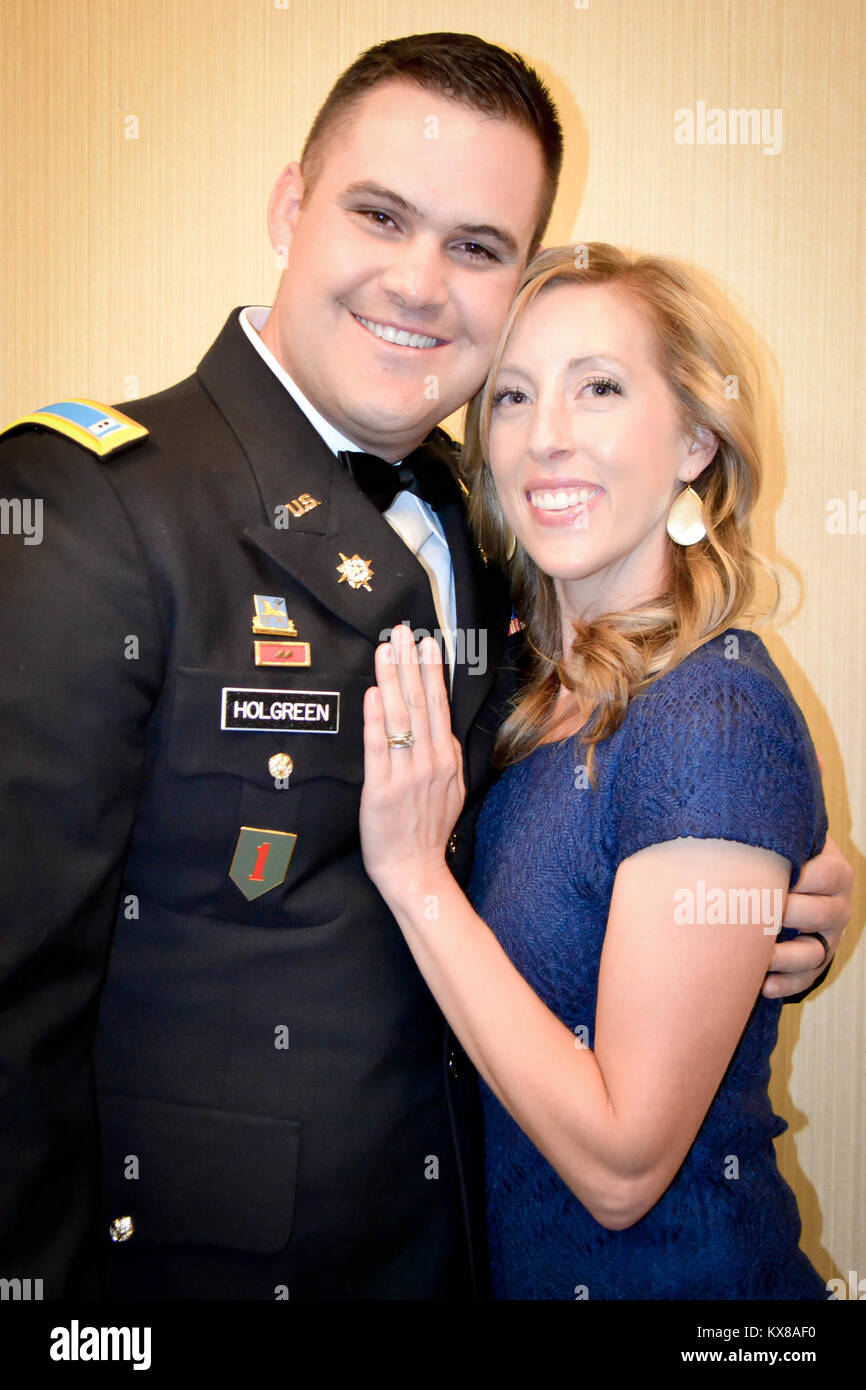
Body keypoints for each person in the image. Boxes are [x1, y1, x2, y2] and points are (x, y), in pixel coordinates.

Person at [0, 35, 848, 1302]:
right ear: (291, 207)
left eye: (476, 246)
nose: (419, 281)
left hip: (476, 1256)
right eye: (380, 214)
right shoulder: (95, 506)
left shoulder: (504, 522)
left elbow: (601, 800)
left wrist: (771, 899)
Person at [359, 242, 845, 1300]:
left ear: (693, 441)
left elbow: (622, 1166)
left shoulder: (710, 716)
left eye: (601, 388)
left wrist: (413, 878)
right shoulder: (530, 692)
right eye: (514, 397)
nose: (546, 439)